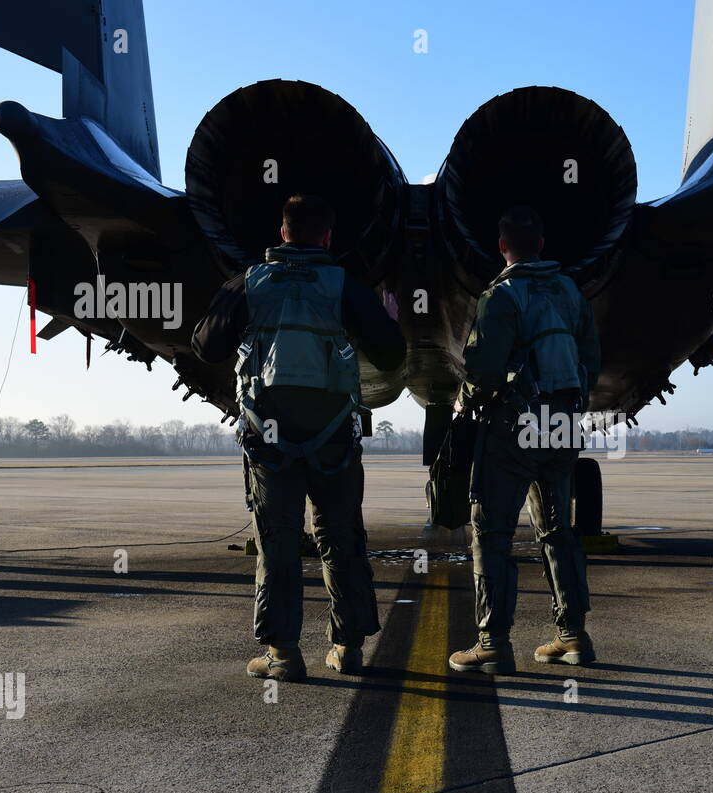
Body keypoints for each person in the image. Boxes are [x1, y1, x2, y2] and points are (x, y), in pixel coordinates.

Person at [192, 194, 405, 682]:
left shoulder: (248, 282)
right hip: (333, 438)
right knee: (341, 539)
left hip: (270, 438)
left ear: (282, 232)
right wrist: (386, 318)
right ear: (328, 237)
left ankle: (283, 653)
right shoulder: (344, 285)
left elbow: (206, 347)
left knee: (279, 541)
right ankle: (348, 648)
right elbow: (392, 356)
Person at [448, 205, 600, 675]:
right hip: (562, 422)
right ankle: (572, 636)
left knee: (492, 532)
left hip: (514, 427)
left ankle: (493, 642)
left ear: (501, 247)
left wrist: (465, 401)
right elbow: (590, 358)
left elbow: (485, 369)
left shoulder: (502, 296)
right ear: (542, 245)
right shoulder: (570, 291)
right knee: (558, 530)